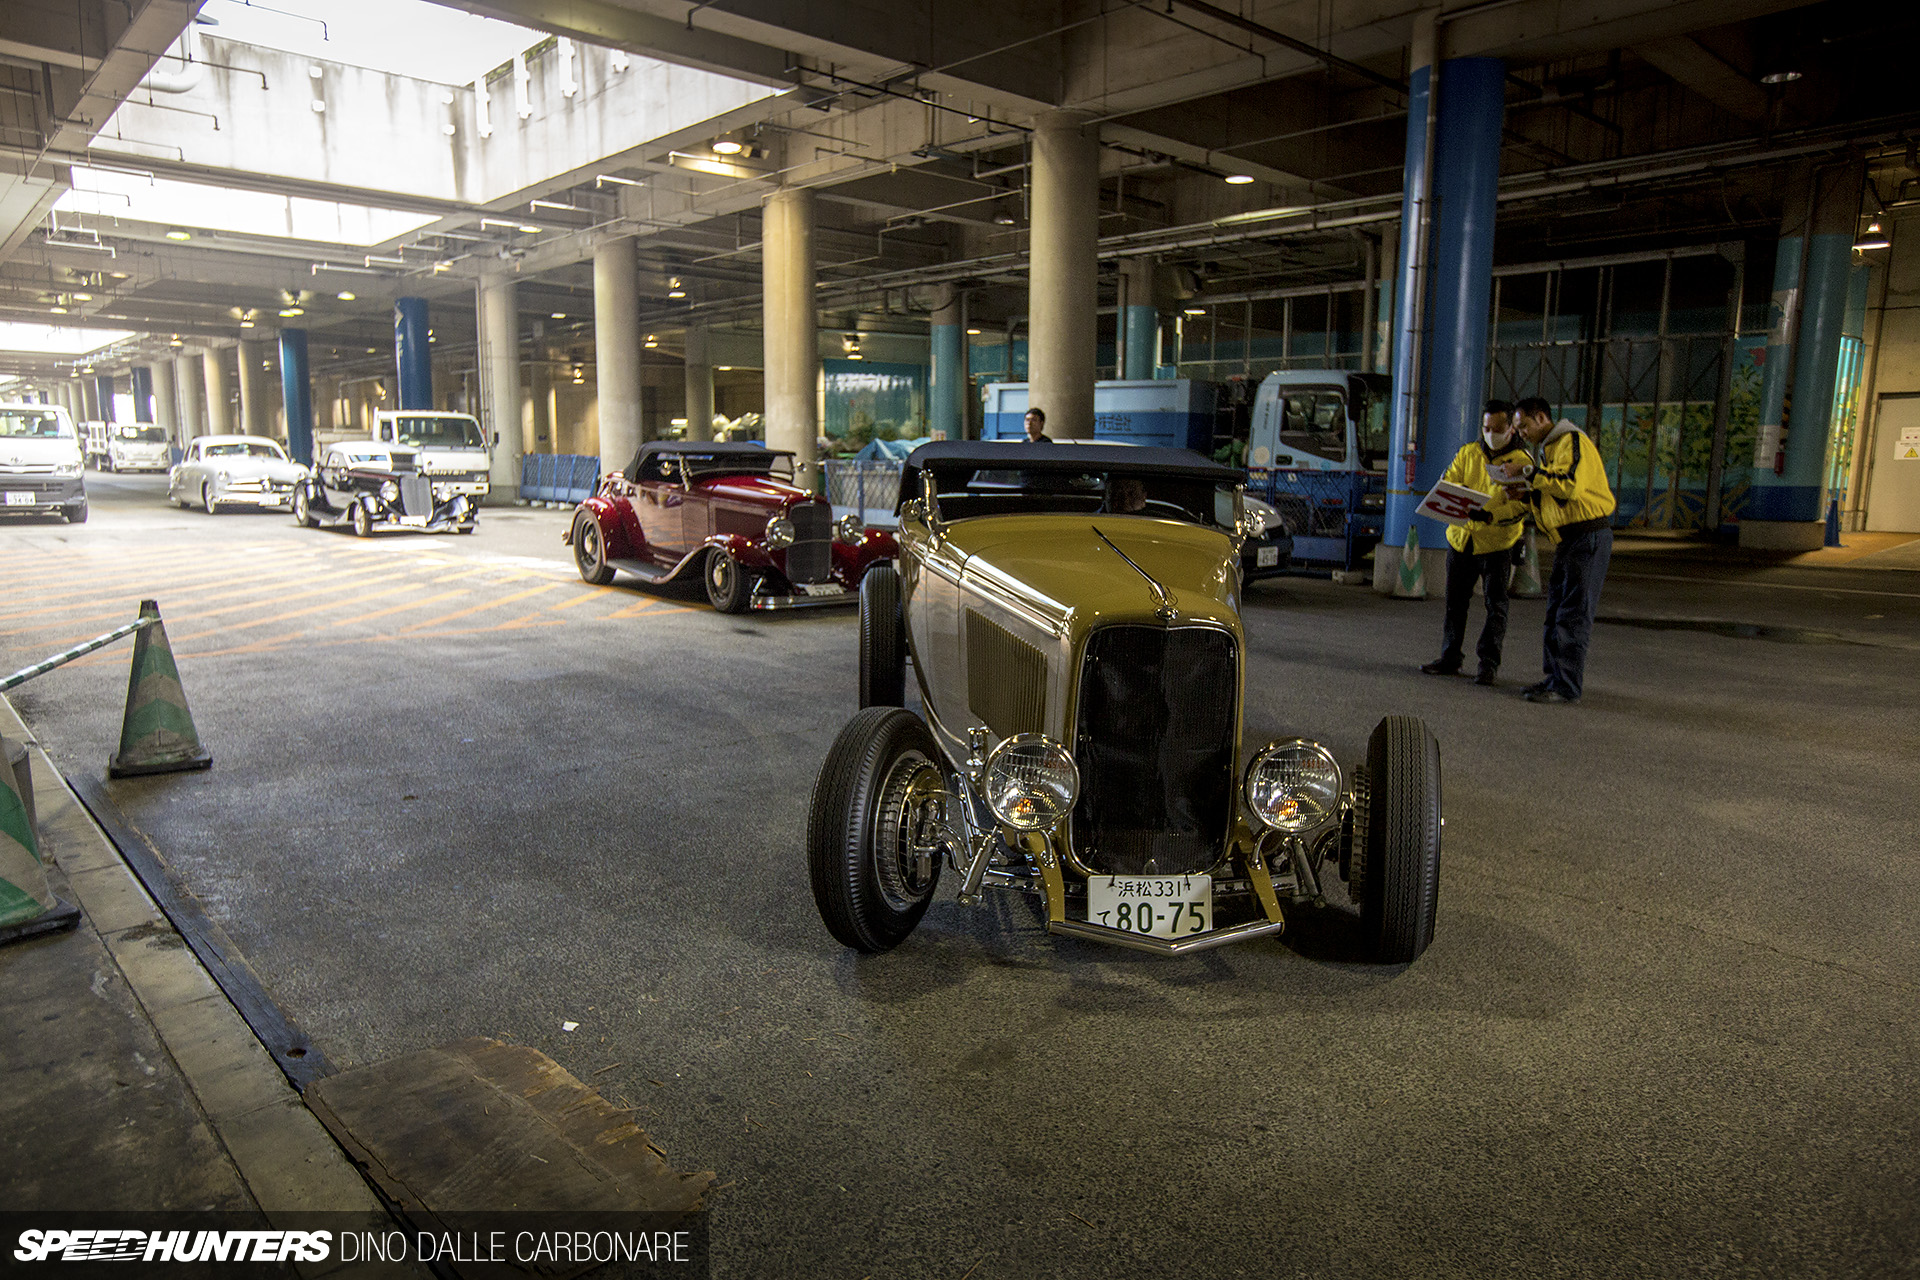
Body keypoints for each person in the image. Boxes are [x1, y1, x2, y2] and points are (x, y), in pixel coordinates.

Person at [1495, 396, 1617, 704]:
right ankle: (1554, 679)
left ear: (1540, 418)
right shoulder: (1551, 449)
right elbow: (1556, 499)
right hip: (1568, 541)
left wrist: (1526, 474)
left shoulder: (1571, 440)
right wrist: (1524, 495)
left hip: (1586, 538)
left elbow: (1569, 485)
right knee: (1556, 614)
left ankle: (1566, 687)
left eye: (1523, 425)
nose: (1520, 433)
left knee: (1573, 615)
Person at [1419, 400, 1531, 685]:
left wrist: (1490, 515)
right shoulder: (1468, 453)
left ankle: (1488, 664)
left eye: (1497, 428)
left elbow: (1521, 507)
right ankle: (1450, 656)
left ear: (1510, 429)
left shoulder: (1522, 462)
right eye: (1486, 427)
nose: (1490, 433)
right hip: (1461, 541)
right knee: (1455, 603)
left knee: (1496, 606)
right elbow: (1449, 483)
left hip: (1497, 545)